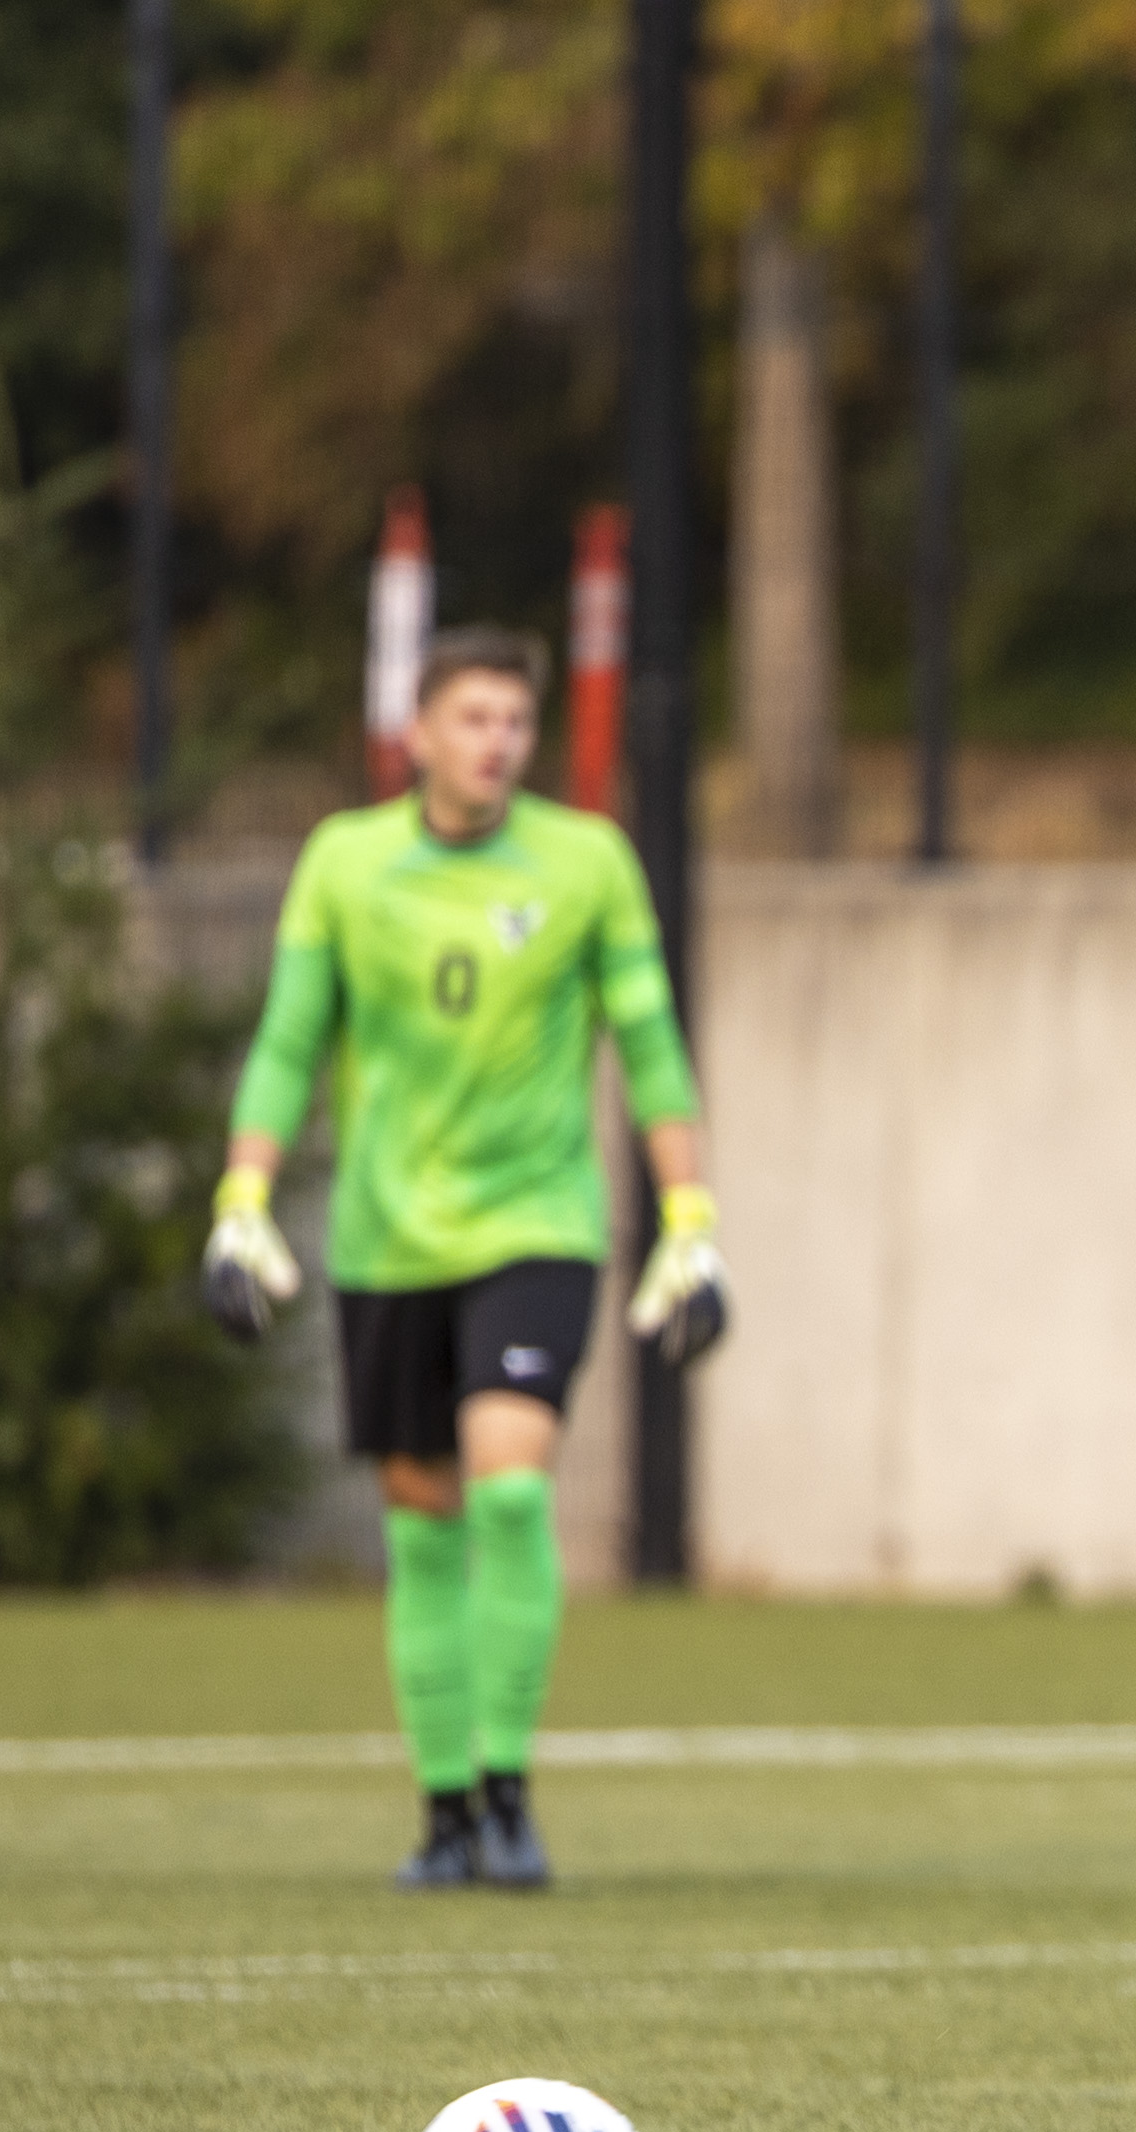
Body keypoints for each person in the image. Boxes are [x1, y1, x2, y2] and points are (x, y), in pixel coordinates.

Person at [203, 627, 728, 1891]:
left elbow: (652, 1048)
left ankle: (507, 1791)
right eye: (474, 718)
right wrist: (243, 1196)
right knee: (424, 1522)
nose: (497, 742)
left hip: (538, 1225)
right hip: (389, 1242)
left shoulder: (587, 862)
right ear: (418, 732)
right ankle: (443, 1812)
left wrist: (690, 1218)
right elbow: (286, 1042)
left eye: (515, 722)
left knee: (509, 1487)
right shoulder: (346, 862)